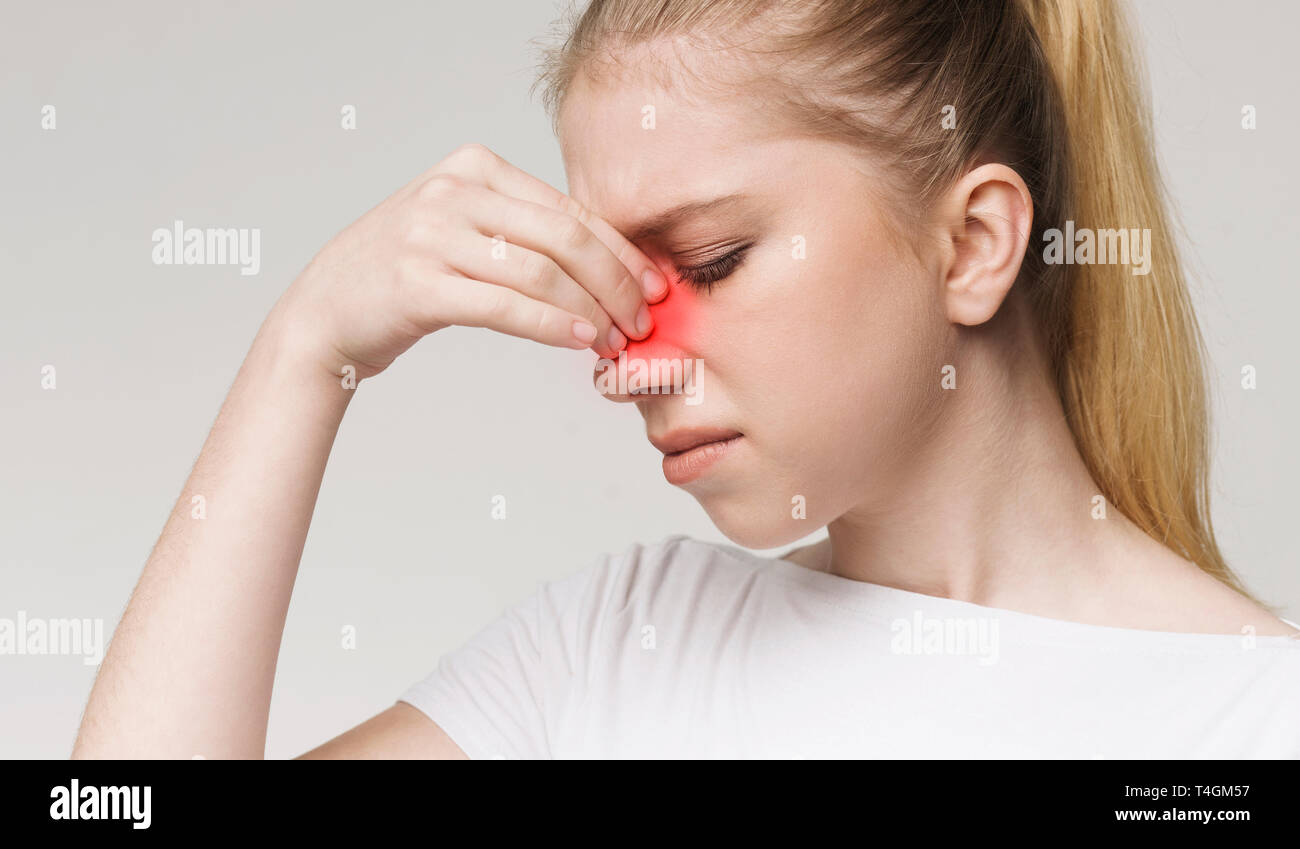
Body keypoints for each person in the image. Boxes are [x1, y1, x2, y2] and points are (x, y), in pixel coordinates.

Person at [73, 0, 1300, 759]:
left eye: (710, 258)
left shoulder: (1247, 726)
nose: (629, 357)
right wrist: (305, 352)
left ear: (972, 243)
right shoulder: (612, 650)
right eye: (613, 274)